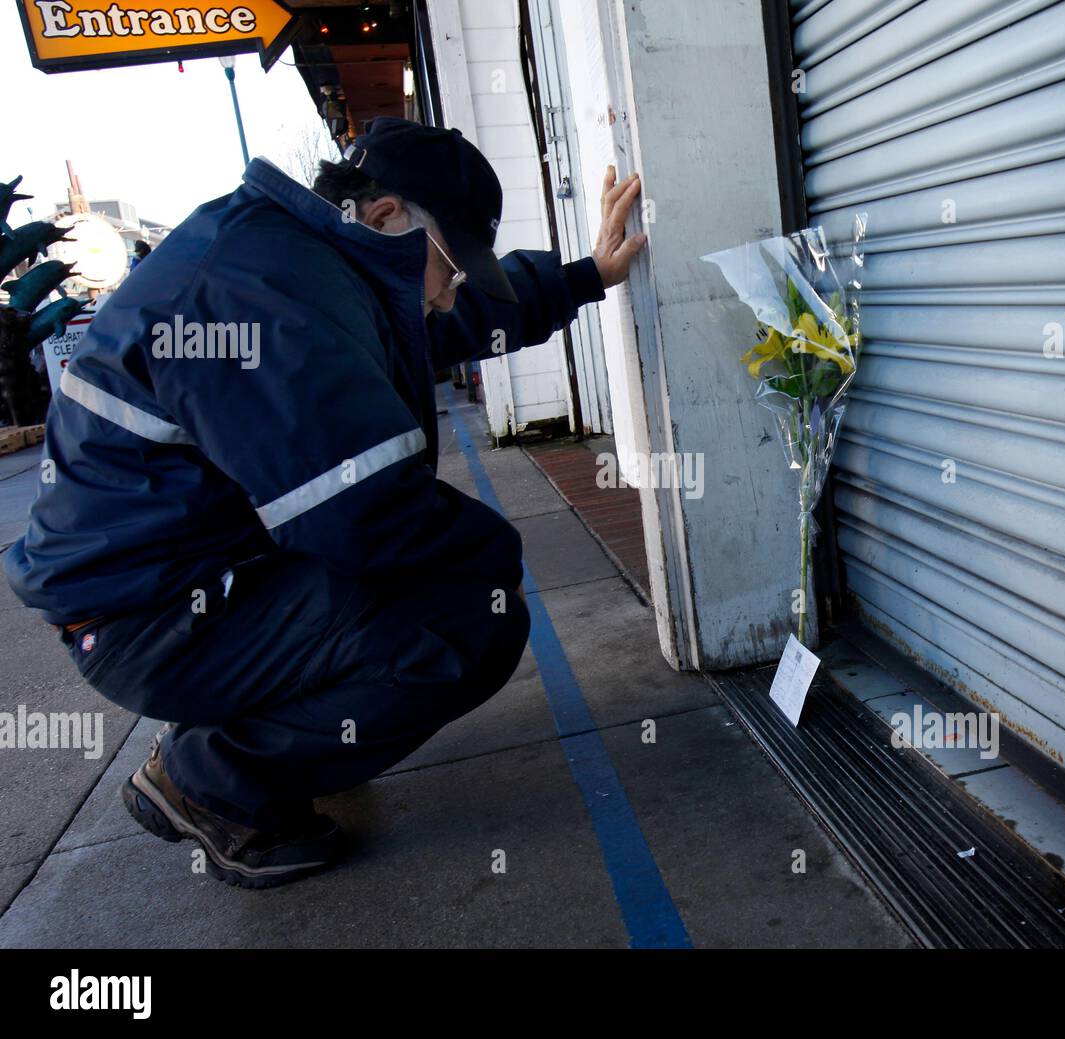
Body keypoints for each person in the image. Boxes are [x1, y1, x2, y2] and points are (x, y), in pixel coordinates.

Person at [4, 118, 646, 888]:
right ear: (385, 220)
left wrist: (584, 277)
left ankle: (271, 723)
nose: (451, 297)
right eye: (453, 269)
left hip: (177, 583)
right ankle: (210, 780)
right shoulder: (260, 294)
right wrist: (494, 559)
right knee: (471, 616)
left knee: (442, 588)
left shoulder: (302, 261)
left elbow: (431, 326)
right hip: (150, 616)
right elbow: (366, 515)